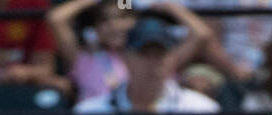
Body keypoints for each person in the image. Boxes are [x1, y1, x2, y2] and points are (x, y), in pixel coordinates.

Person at [41, 15, 231, 115]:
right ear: (126, 58)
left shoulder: (202, 109)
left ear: (172, 58)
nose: (153, 62)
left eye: (160, 54)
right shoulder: (90, 111)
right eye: (144, 54)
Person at [47, 0, 214, 103]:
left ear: (136, 22)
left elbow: (202, 34)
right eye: (105, 20)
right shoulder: (84, 59)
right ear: (96, 29)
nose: (114, 26)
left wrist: (170, 8)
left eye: (122, 18)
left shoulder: (158, 56)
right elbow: (56, 19)